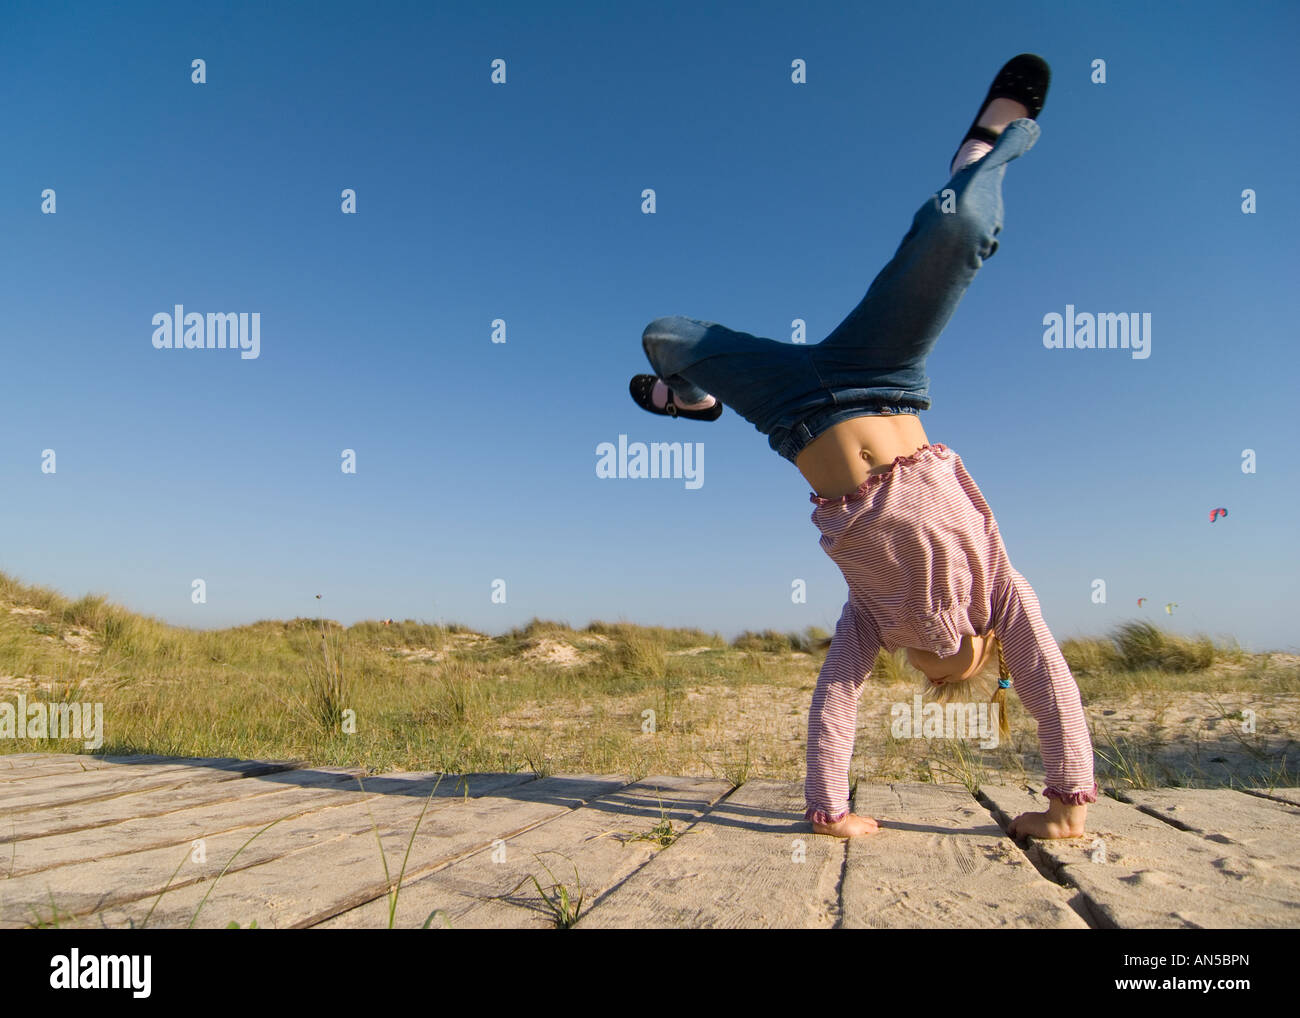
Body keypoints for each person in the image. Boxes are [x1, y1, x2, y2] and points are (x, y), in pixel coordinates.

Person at [629, 55, 1096, 840]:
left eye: (926, 667)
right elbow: (1048, 681)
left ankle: (693, 398)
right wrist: (1067, 807)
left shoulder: (870, 618)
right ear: (985, 651)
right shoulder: (1001, 591)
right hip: (883, 374)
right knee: (959, 228)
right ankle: (983, 150)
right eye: (958, 665)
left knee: (663, 336)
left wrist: (830, 811)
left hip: (793, 409)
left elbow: (836, 701)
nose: (936, 651)